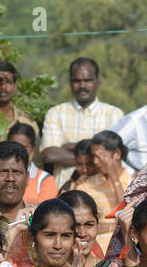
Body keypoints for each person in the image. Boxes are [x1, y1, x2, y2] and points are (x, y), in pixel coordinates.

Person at [40, 58, 125, 186]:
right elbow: (50, 154)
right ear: (70, 83)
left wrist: (68, 147)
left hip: (104, 192)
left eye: (88, 80)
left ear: (98, 82)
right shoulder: (56, 113)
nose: (82, 86)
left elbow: (115, 157)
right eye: (77, 81)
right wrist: (96, 158)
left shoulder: (114, 114)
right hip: (64, 193)